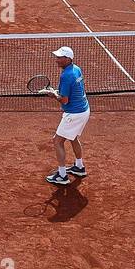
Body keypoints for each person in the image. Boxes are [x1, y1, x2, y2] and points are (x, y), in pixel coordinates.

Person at [45, 45, 90, 185]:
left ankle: (62, 176)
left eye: (59, 57)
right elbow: (71, 90)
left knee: (57, 141)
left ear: (68, 59)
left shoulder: (66, 75)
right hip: (84, 110)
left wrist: (53, 95)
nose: (56, 60)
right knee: (73, 137)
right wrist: (57, 92)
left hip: (74, 114)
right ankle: (79, 167)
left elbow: (64, 100)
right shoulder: (76, 69)